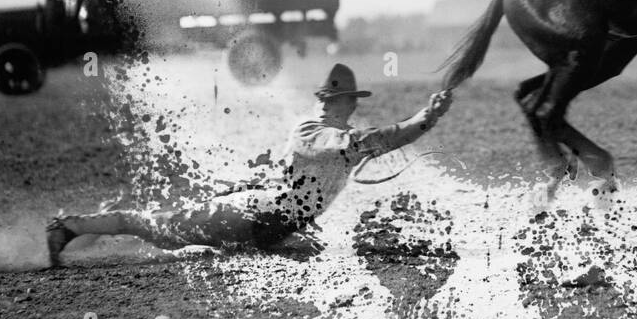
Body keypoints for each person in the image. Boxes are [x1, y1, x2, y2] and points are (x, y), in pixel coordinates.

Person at [45, 63, 454, 266]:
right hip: (254, 216)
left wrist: (426, 120)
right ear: (333, 100)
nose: (354, 104)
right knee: (162, 230)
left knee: (169, 232)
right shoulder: (314, 131)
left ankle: (79, 228)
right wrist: (422, 119)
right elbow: (371, 140)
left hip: (265, 217)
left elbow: (381, 140)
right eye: (350, 98)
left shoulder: (336, 136)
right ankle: (70, 227)